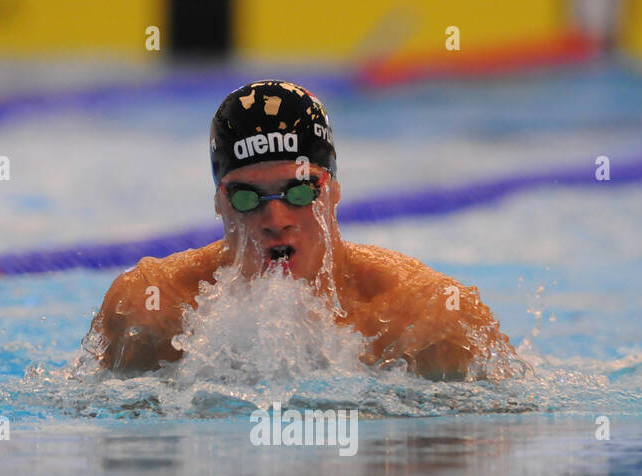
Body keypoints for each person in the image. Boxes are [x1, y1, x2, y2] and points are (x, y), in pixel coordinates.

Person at [88, 79, 518, 381]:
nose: (276, 222)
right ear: (220, 203)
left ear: (332, 192)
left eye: (298, 192)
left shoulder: (426, 317)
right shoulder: (152, 309)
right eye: (246, 198)